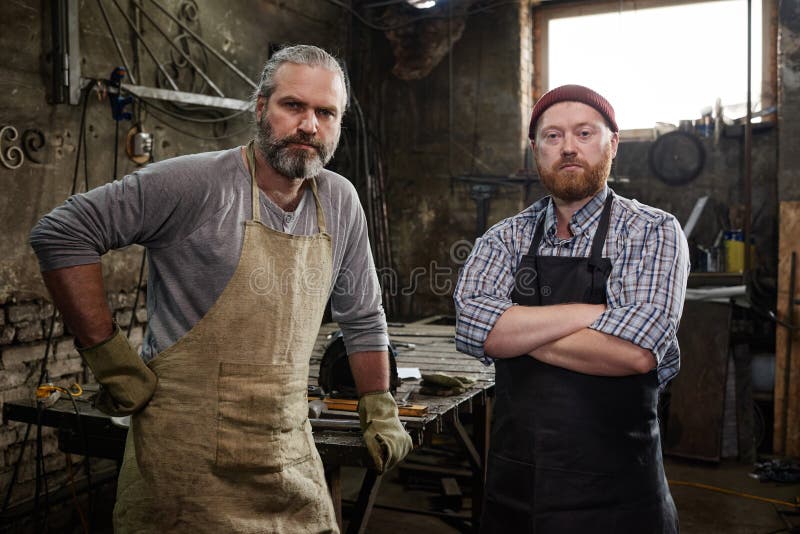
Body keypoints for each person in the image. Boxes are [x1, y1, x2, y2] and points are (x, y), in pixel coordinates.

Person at [30, 44, 412, 533]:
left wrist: (378, 404)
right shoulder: (196, 183)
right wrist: (109, 358)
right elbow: (62, 233)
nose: (309, 126)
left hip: (288, 453)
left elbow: (362, 316)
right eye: (293, 106)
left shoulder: (339, 200)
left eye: (326, 112)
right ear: (260, 108)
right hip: (184, 462)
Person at [454, 84, 689, 533]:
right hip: (515, 493)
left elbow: (636, 351)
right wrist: (593, 313)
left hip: (620, 498)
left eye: (584, 133)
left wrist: (515, 334)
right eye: (552, 136)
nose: (568, 148)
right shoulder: (506, 237)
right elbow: (474, 328)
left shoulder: (653, 231)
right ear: (535, 150)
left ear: (612, 143)